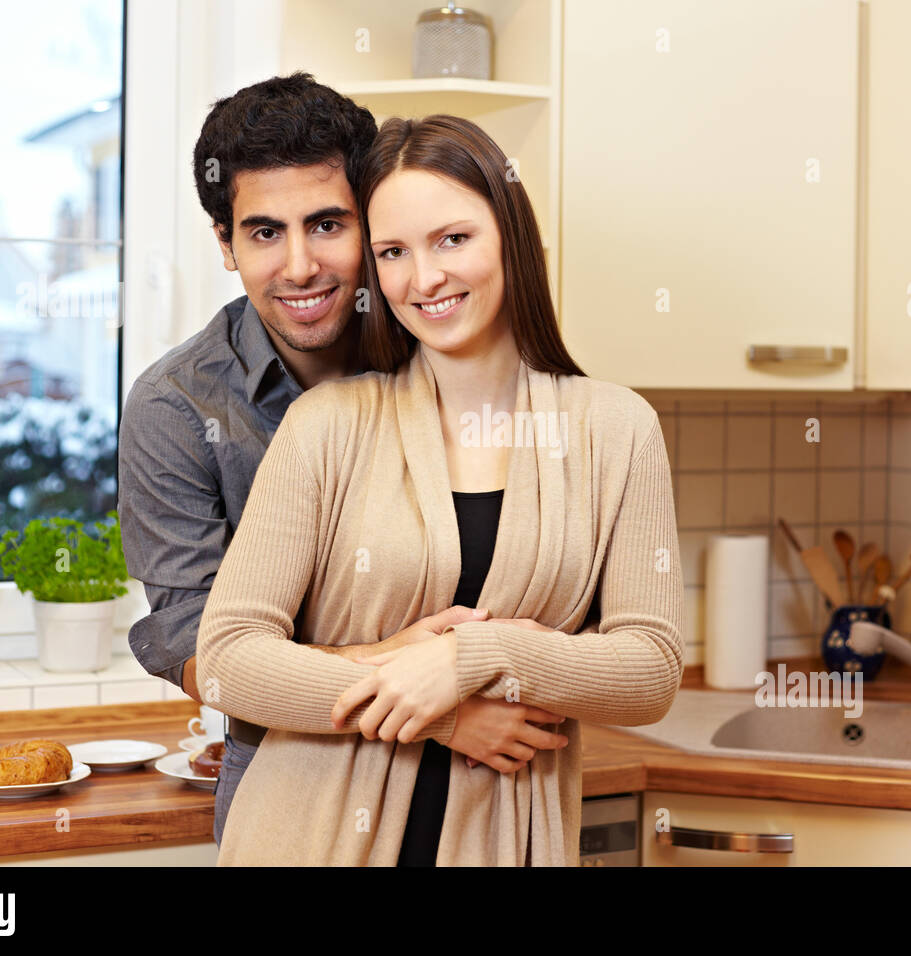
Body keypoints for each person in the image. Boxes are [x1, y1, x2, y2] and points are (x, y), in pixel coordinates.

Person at [196, 114, 684, 866]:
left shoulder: (615, 430)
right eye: (393, 252)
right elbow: (230, 658)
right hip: (304, 836)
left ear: (511, 237)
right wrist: (419, 694)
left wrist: (471, 659)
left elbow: (650, 669)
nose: (424, 279)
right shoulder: (326, 425)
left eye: (453, 239)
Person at [118, 74, 571, 848]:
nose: (299, 267)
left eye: (328, 224)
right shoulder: (176, 408)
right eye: (264, 233)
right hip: (291, 775)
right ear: (225, 245)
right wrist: (434, 701)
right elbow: (206, 656)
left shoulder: (453, 347)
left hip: (494, 788)